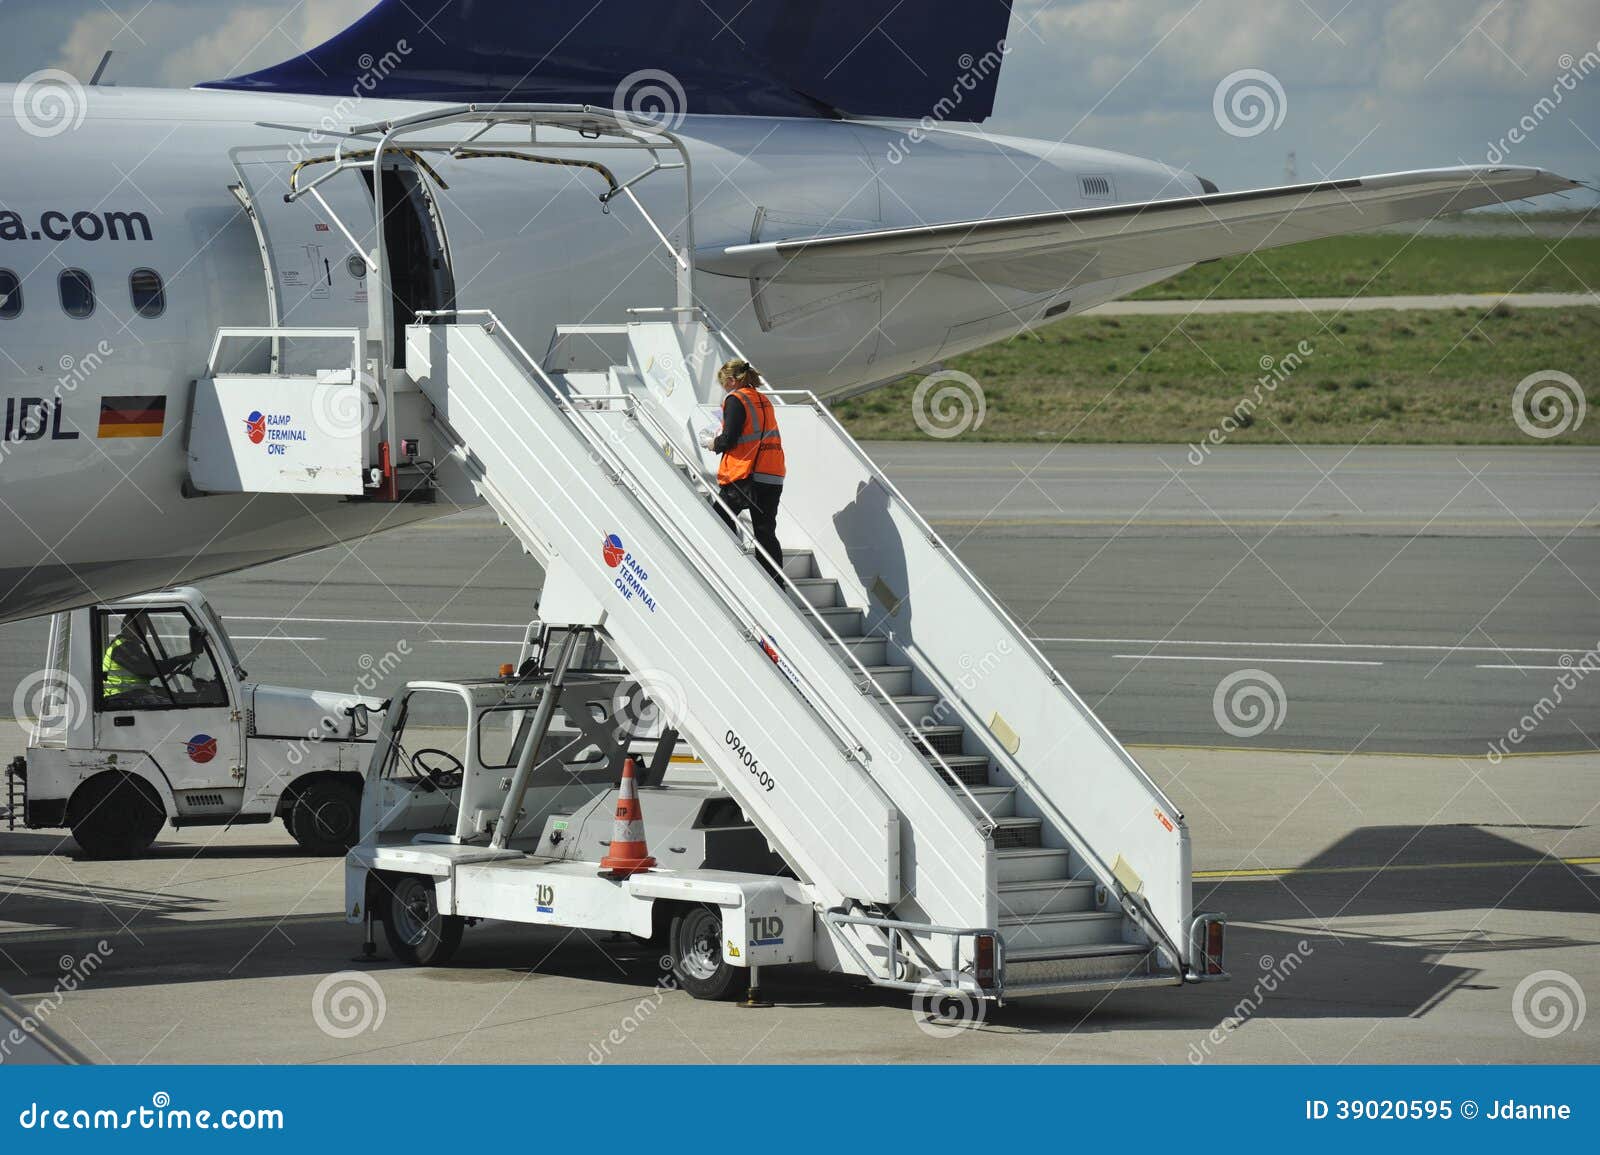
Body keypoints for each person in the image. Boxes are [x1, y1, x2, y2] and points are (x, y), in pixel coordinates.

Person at [700, 359, 785, 581]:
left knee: (718, 522)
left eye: (723, 384)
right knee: (766, 534)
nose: (724, 389)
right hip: (772, 475)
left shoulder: (736, 399)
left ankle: (725, 575)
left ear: (730, 380)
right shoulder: (763, 400)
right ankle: (776, 586)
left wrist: (712, 443)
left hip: (745, 475)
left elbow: (729, 439)